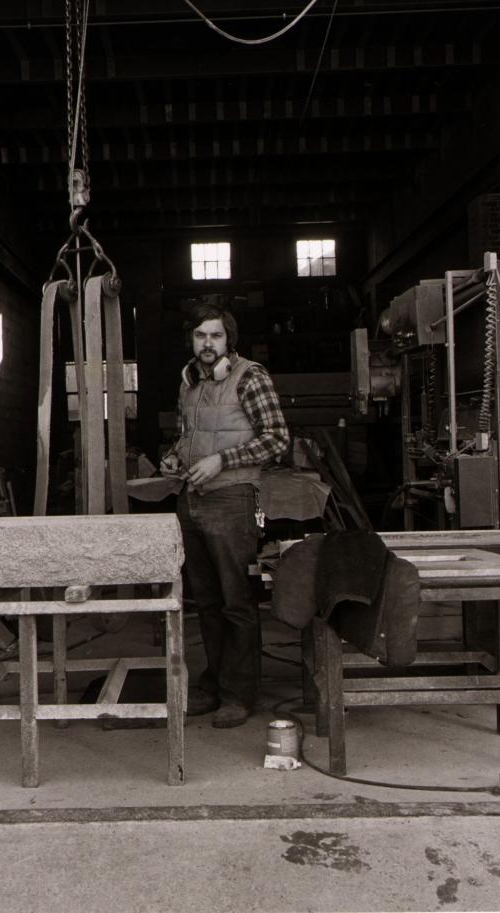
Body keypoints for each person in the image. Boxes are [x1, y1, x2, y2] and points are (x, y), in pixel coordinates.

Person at [160, 302, 290, 728]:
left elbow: (277, 439)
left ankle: (239, 693)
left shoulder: (250, 377)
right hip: (192, 499)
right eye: (200, 335)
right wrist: (174, 457)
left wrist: (222, 460)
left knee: (237, 601)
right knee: (206, 602)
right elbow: (186, 436)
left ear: (228, 340)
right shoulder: (189, 382)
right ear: (191, 339)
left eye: (216, 335)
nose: (208, 343)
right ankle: (214, 683)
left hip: (232, 500)